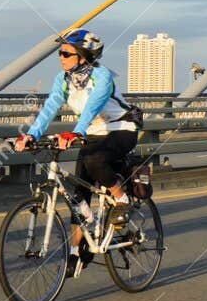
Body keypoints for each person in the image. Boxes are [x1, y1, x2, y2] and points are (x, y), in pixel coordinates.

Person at [13, 29, 141, 276]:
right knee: (78, 195)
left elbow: (93, 105)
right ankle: (75, 252)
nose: (61, 57)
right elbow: (50, 107)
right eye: (60, 53)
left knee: (94, 160)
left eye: (66, 53)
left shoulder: (102, 76)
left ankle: (121, 198)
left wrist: (77, 132)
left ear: (83, 56)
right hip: (92, 133)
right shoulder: (63, 79)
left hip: (120, 128)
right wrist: (32, 135)